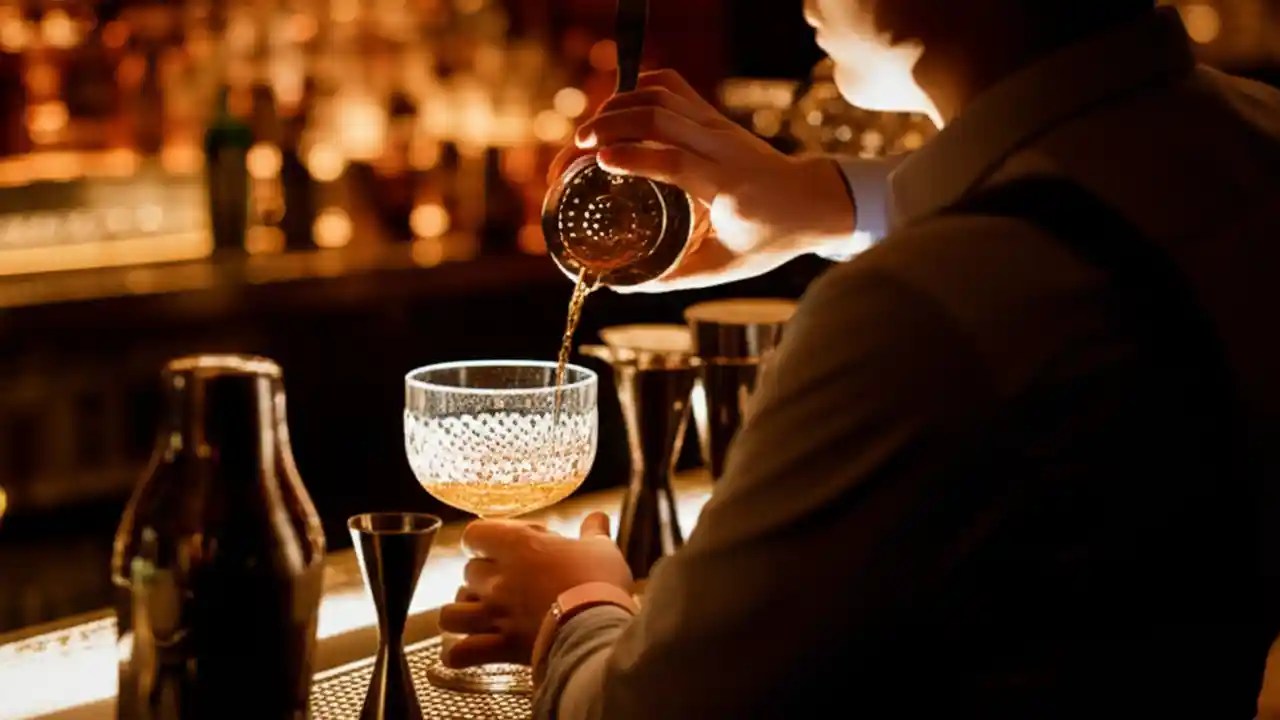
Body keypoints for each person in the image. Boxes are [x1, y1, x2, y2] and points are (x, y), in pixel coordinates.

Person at [440, 1, 1280, 717]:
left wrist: (572, 607)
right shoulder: (1252, 135)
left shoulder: (920, 310)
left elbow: (655, 707)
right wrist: (820, 202)